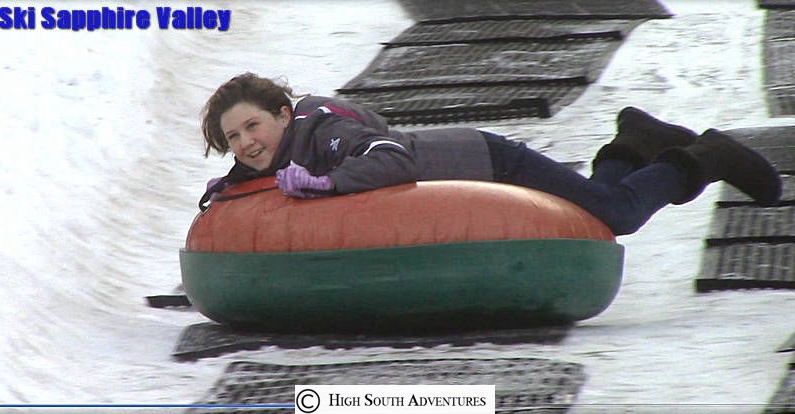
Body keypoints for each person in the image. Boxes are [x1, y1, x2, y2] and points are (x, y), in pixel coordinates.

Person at [198, 72, 782, 236]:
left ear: (281, 114)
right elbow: (235, 183)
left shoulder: (324, 130)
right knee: (597, 203)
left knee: (617, 216)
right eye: (233, 139)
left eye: (253, 126)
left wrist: (326, 185)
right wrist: (215, 196)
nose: (246, 144)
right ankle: (635, 140)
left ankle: (707, 156)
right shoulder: (276, 156)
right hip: (475, 170)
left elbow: (391, 160)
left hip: (489, 163)